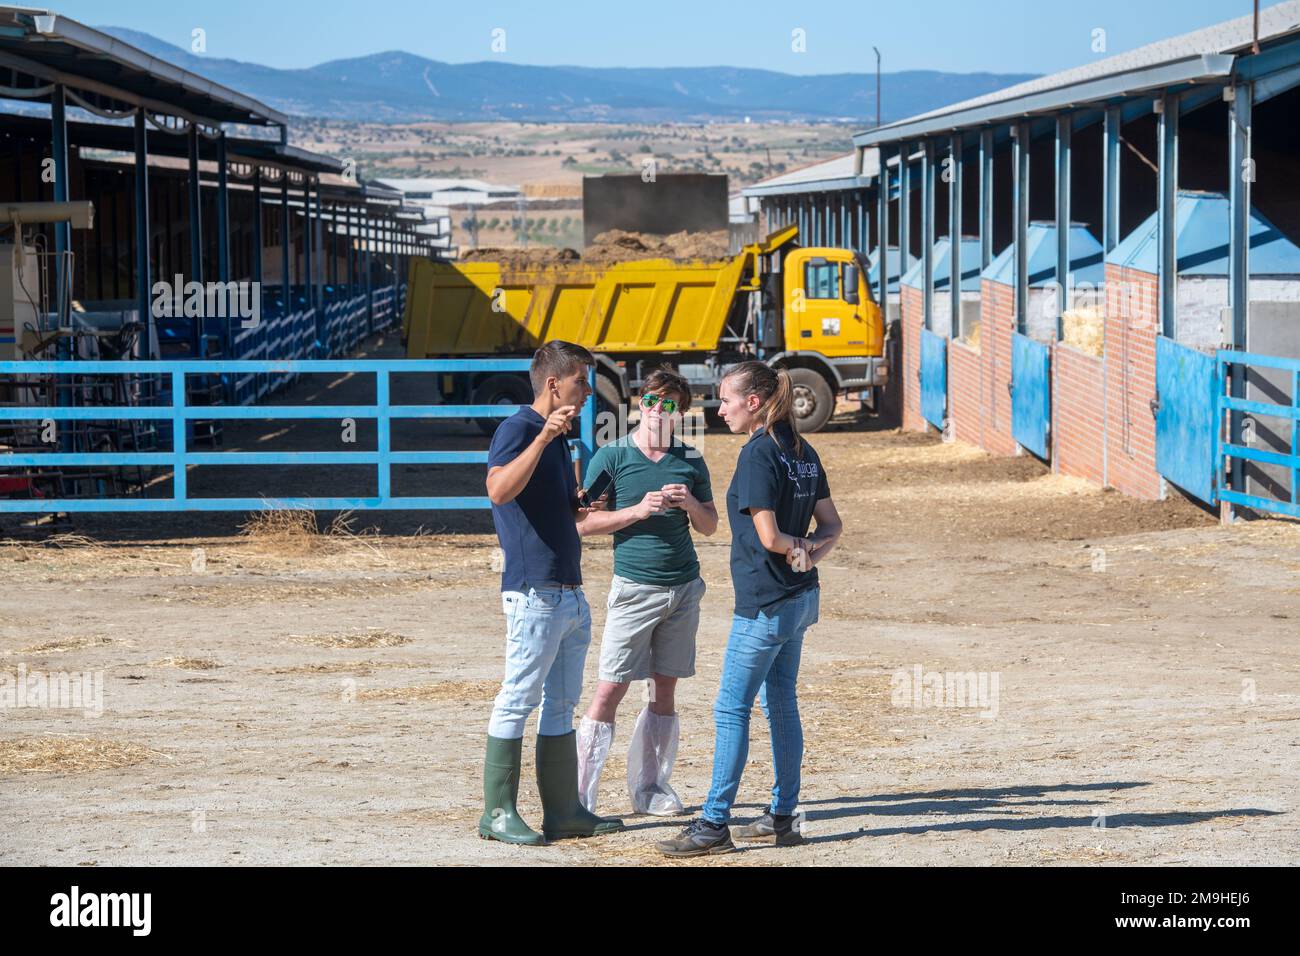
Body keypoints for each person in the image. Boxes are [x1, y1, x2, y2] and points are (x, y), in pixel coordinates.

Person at [656, 361, 843, 858]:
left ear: (753, 402)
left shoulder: (759, 455)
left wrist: (793, 548)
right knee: (781, 703)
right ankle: (783, 817)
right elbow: (833, 527)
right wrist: (809, 554)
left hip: (766, 603)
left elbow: (769, 537)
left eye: (726, 400)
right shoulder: (802, 449)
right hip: (802, 597)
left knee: (731, 708)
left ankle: (714, 823)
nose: (720, 410)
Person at [478, 340, 624, 845]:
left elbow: (566, 514)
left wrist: (585, 501)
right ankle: (497, 814)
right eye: (582, 381)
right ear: (554, 383)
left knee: (560, 704)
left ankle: (563, 811)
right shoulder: (518, 428)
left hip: (568, 591)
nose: (588, 392)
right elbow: (497, 490)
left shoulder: (561, 438)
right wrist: (542, 439)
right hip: (533, 591)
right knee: (517, 699)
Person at [574, 367, 718, 816]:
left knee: (663, 691)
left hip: (683, 589)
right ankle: (580, 797)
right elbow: (582, 523)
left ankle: (651, 788)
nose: (660, 411)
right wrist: (636, 511)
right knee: (609, 689)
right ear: (641, 403)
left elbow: (711, 526)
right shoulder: (611, 457)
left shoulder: (690, 460)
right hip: (634, 589)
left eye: (671, 405)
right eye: (653, 401)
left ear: (682, 414)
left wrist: (690, 503)